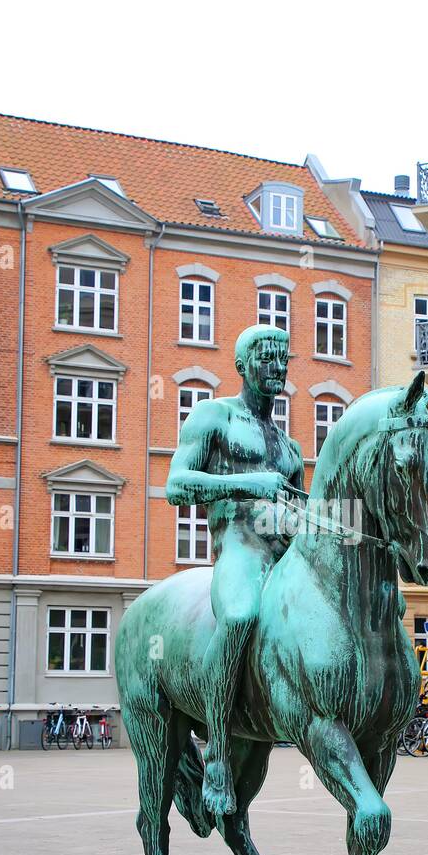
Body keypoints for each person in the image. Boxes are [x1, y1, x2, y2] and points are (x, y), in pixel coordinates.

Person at [166, 323, 304, 815]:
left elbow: (298, 514)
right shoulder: (213, 416)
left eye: (283, 358)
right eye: (266, 357)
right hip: (239, 546)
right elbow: (176, 484)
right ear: (243, 365)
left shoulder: (290, 449)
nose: (277, 367)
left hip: (283, 549)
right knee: (242, 615)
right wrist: (250, 483)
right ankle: (218, 749)